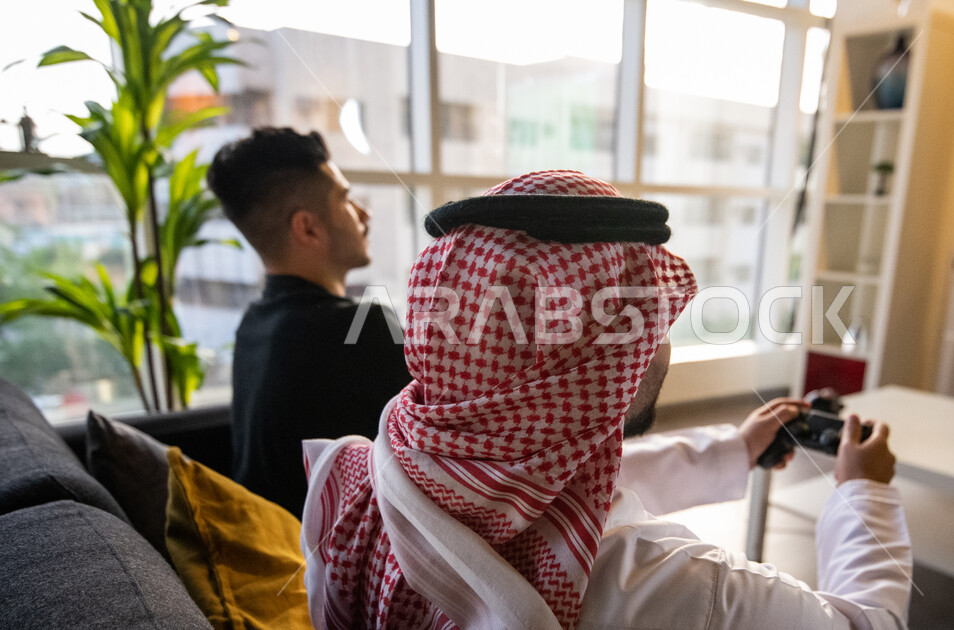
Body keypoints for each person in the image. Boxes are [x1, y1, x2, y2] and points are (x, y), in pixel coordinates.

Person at [300, 170, 911, 629]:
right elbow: (871, 623)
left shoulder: (353, 480)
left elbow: (542, 486)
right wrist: (866, 497)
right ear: (605, 363)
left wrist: (731, 449)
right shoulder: (680, 586)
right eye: (655, 324)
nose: (662, 345)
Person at [206, 128, 412, 517]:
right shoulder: (360, 326)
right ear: (308, 228)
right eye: (346, 200)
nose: (364, 214)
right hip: (347, 568)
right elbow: (452, 446)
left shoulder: (253, 326)